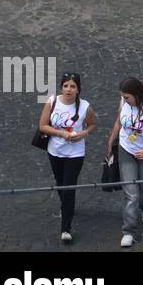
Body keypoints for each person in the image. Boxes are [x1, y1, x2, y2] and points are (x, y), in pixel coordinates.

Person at [105, 76, 143, 247]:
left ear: (137, 94)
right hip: (126, 150)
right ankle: (129, 230)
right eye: (123, 97)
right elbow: (119, 122)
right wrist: (111, 140)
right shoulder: (124, 103)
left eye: (127, 97)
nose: (124, 100)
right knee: (131, 193)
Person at [37, 71, 96, 244]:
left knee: (69, 187)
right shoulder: (52, 102)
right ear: (61, 87)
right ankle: (67, 207)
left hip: (75, 153)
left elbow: (92, 125)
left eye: (72, 86)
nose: (68, 89)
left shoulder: (85, 107)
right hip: (55, 151)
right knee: (60, 183)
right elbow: (42, 125)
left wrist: (83, 133)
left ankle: (65, 228)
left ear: (78, 89)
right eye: (65, 86)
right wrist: (60, 133)